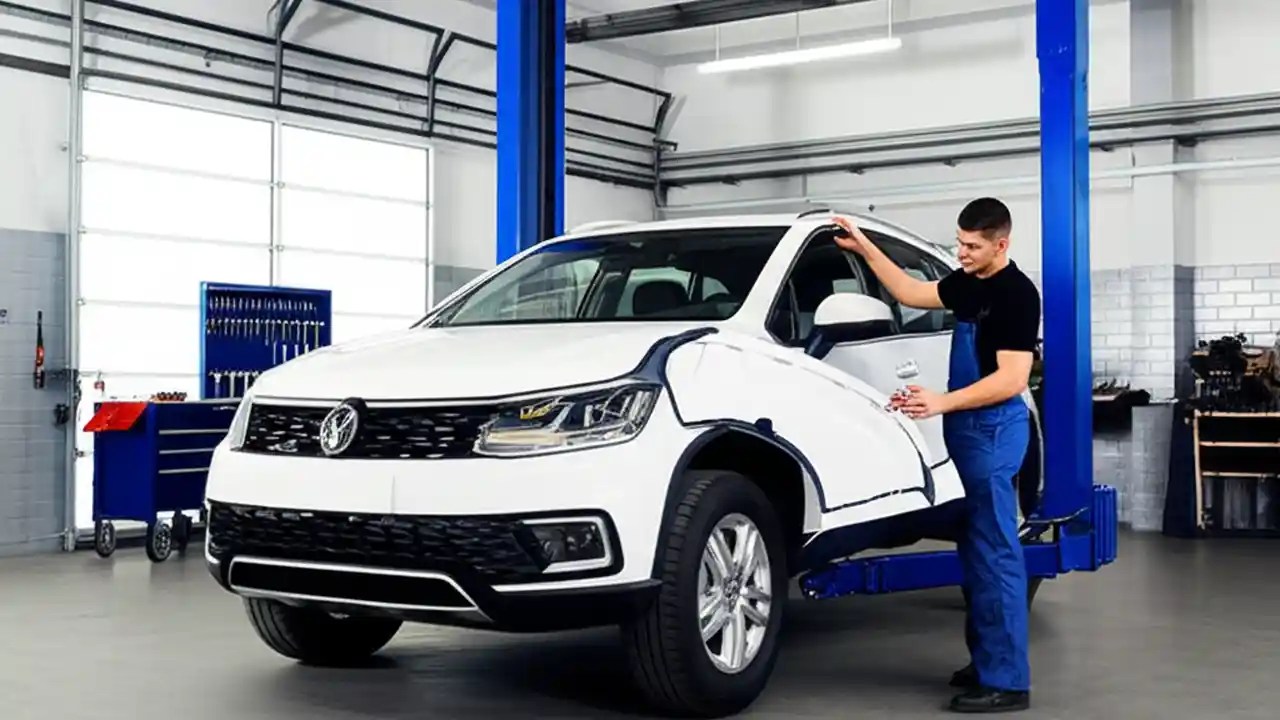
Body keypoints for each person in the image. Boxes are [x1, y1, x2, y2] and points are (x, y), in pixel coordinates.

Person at [830, 198, 1040, 714]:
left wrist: (940, 401)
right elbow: (910, 290)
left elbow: (1012, 379)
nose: (961, 253)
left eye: (972, 246)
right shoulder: (968, 281)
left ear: (1001, 244)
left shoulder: (1016, 294)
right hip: (967, 429)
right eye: (959, 242)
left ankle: (1008, 681)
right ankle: (987, 660)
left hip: (993, 430)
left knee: (996, 556)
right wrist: (865, 248)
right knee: (974, 550)